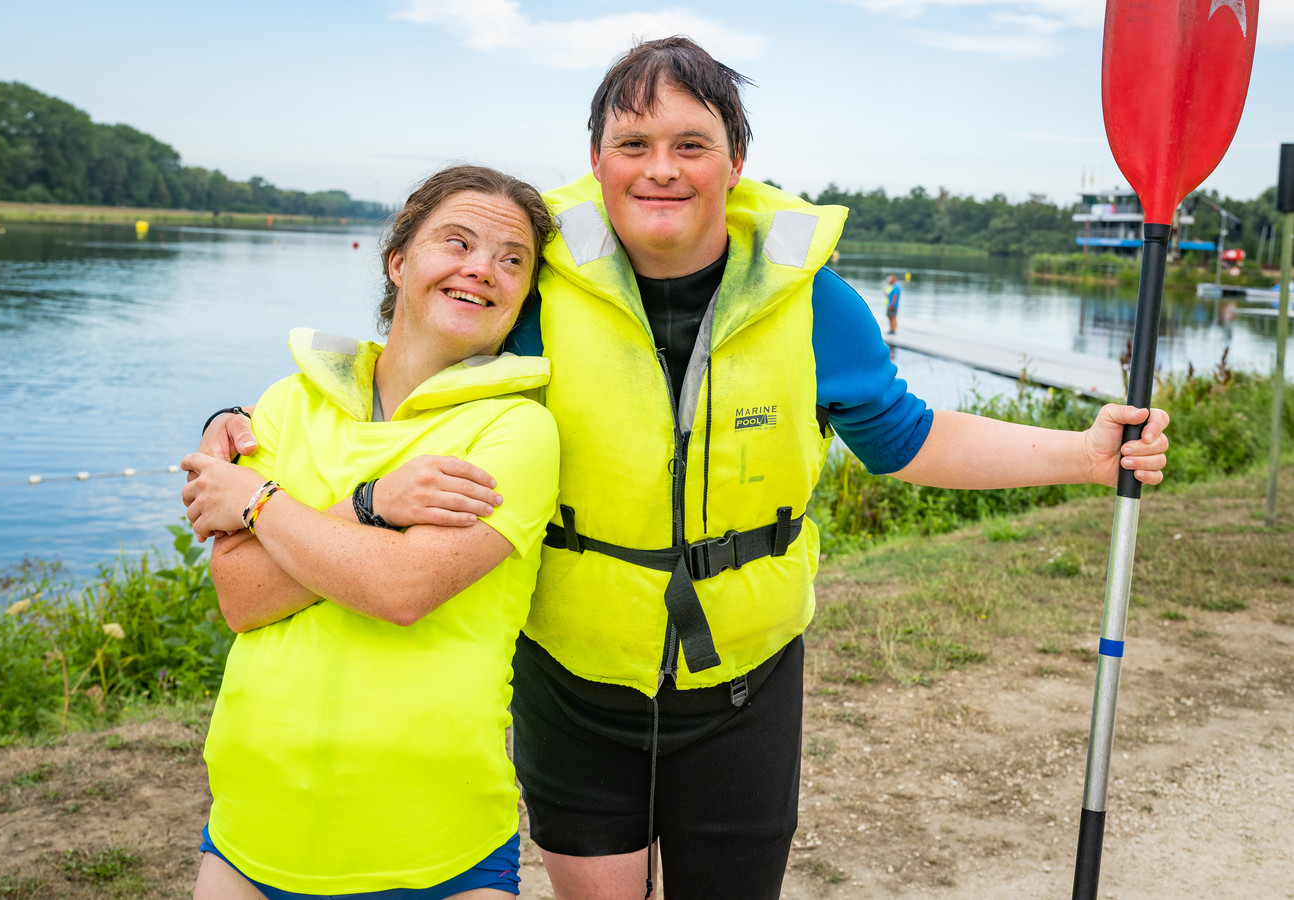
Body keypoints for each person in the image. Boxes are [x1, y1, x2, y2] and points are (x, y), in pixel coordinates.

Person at [194, 38, 1170, 900]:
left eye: (689, 144)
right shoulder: (537, 289)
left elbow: (906, 438)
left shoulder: (813, 305)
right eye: (634, 144)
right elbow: (398, 372)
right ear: (598, 164)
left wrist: (1084, 455)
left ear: (734, 164)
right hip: (573, 686)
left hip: (746, 690)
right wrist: (236, 420)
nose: (661, 168)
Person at [181, 165, 560, 900]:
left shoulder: (518, 429)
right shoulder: (287, 404)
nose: (483, 268)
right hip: (252, 839)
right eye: (457, 242)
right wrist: (372, 507)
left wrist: (260, 504)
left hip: (436, 848)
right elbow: (241, 595)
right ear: (398, 261)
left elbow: (402, 587)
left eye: (513, 260)